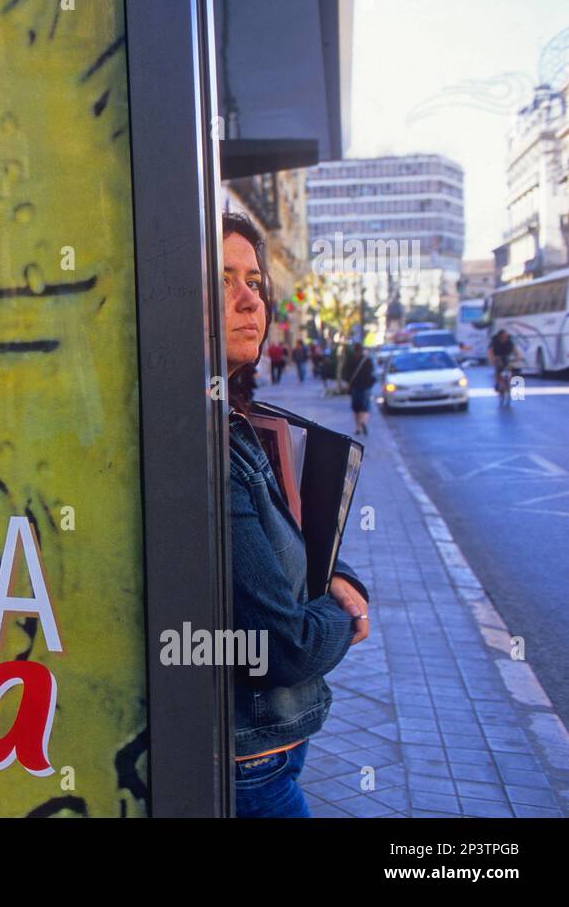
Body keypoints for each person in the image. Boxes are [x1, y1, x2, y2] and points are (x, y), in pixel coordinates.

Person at [221, 212, 370, 818]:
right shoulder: (206, 448)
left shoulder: (235, 425)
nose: (248, 297)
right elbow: (280, 648)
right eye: (224, 279)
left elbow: (276, 544)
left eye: (255, 280)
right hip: (249, 769)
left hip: (271, 750)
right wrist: (342, 611)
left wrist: (337, 573)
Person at [342, 342, 375, 436]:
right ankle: (363, 422)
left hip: (354, 387)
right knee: (365, 407)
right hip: (365, 387)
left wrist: (349, 382)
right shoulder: (367, 360)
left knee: (356, 408)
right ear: (362, 349)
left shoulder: (350, 360)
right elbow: (371, 373)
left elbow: (346, 374)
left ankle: (358, 428)